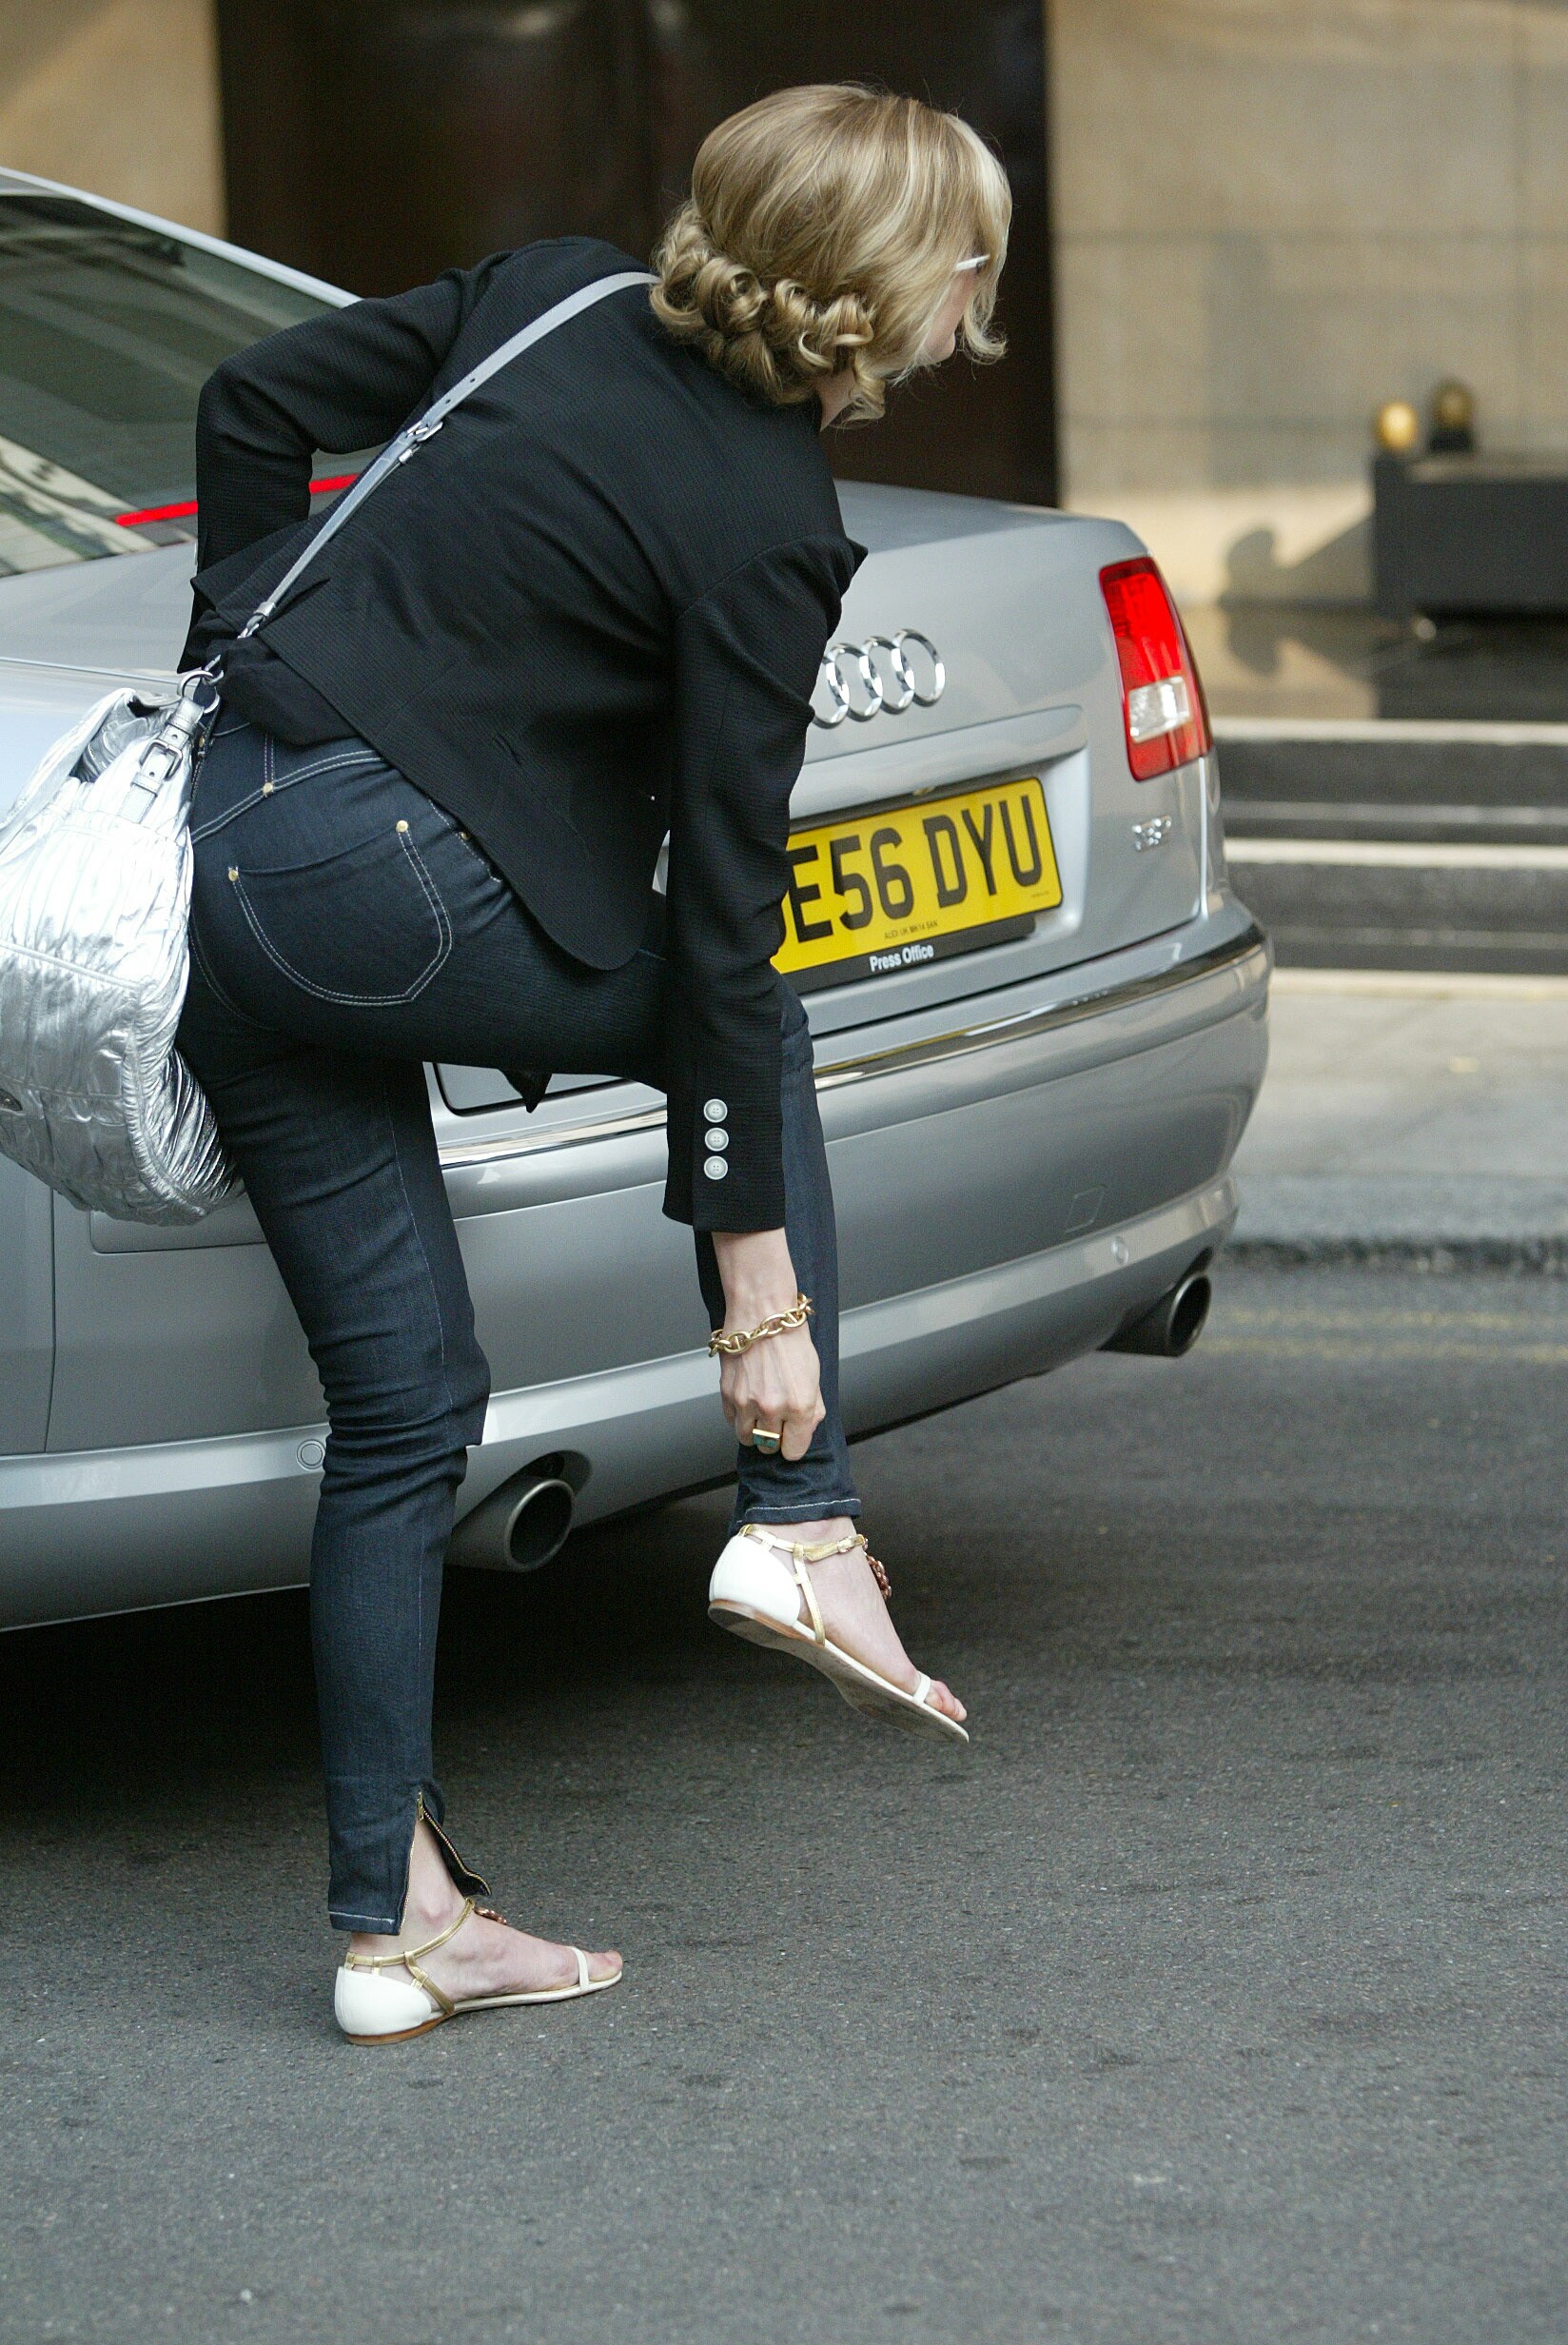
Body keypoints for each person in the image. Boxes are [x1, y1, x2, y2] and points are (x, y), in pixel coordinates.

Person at [175, 82, 1011, 2043]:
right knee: (760, 1006)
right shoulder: (766, 524)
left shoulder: (553, 292)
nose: (978, 289)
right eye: (963, 255)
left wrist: (245, 657)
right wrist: (761, 1305)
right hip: (371, 896)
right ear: (883, 285)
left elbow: (246, 401)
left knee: (404, 1408)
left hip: (224, 885)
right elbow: (724, 928)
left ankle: (395, 1922)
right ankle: (800, 1513)